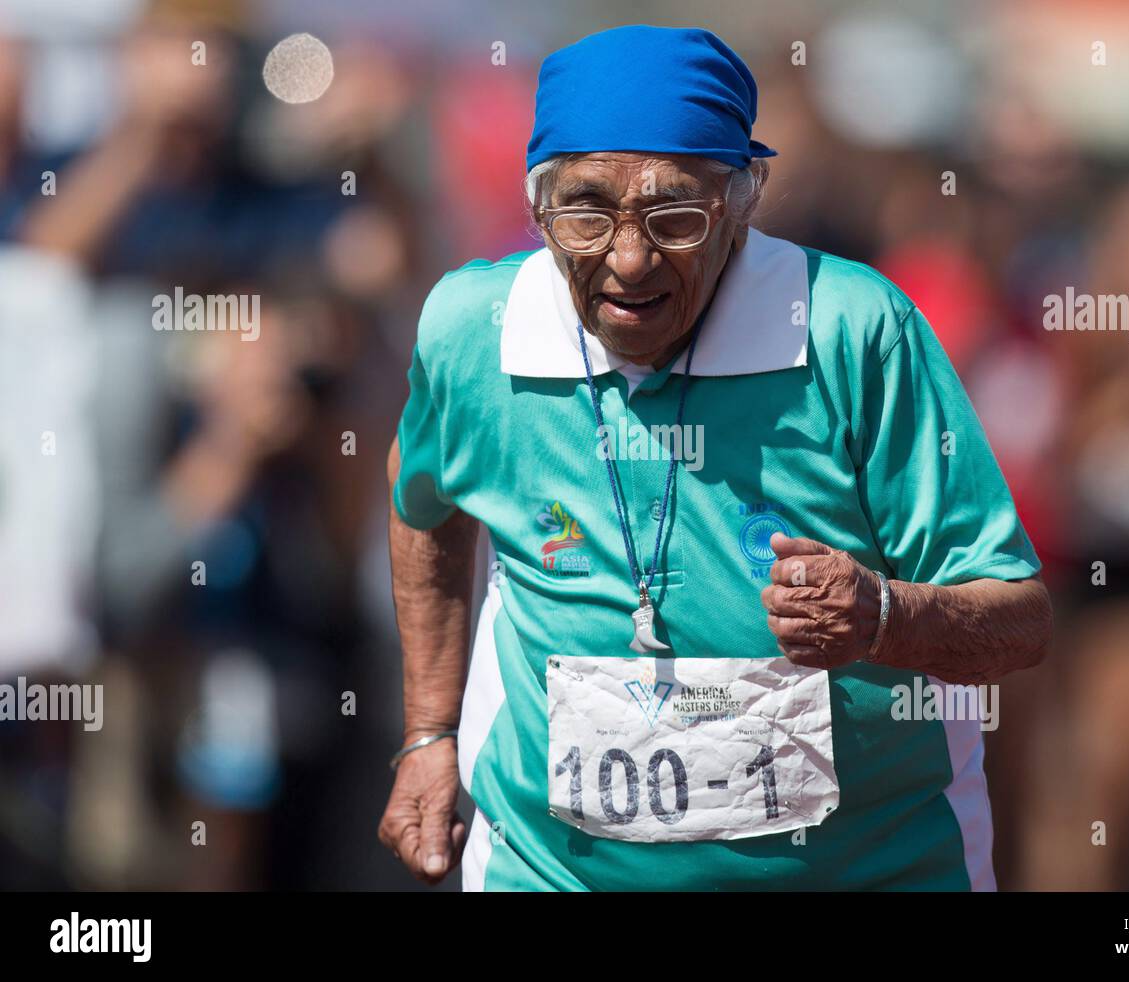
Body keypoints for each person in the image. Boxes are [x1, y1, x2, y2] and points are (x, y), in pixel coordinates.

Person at [379, 25, 1051, 891]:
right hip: (549, 870)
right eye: (585, 212)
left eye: (676, 216)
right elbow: (421, 504)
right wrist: (429, 733)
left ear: (743, 204)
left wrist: (886, 618)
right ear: (537, 208)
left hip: (866, 869)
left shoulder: (852, 331)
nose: (628, 259)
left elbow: (1020, 620)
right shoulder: (476, 330)